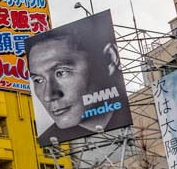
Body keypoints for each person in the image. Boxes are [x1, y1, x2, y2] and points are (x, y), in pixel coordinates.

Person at [27, 16, 128, 145]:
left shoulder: (138, 111)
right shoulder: (48, 140)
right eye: (38, 80)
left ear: (109, 59)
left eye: (61, 73)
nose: (48, 96)